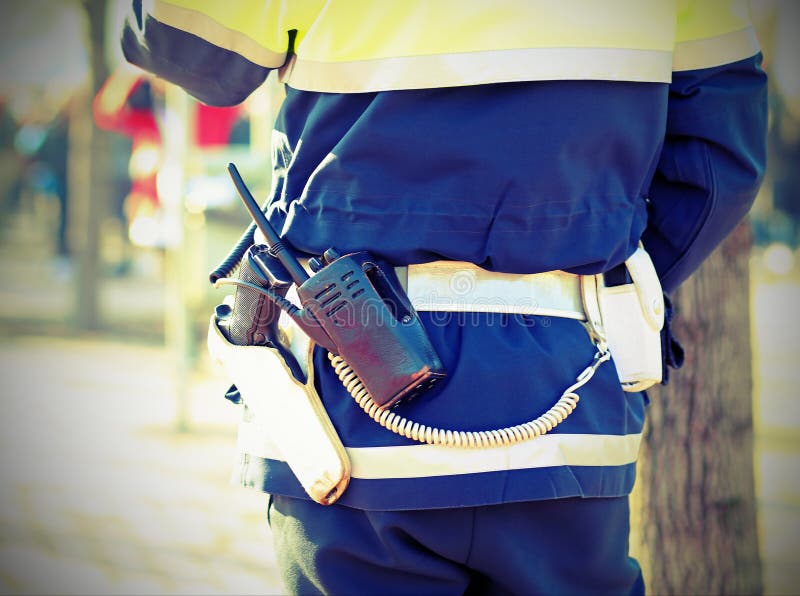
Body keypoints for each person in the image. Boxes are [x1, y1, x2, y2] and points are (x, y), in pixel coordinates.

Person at [122, 2, 767, 594]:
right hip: (569, 398)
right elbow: (720, 160)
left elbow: (178, 41)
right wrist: (597, 294)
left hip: (352, 414)